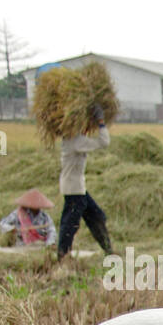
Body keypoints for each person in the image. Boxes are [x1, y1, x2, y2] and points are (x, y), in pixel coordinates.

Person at [57, 103, 113, 263]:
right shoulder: (76, 141)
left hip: (77, 189)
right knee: (70, 224)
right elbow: (104, 142)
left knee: (97, 216)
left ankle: (109, 250)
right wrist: (101, 122)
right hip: (74, 190)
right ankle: (62, 257)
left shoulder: (71, 139)